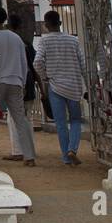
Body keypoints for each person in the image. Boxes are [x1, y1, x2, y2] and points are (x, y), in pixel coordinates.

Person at [0, 5, 35, 167]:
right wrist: (23, 82)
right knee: (20, 119)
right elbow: (23, 62)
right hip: (16, 81)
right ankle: (29, 156)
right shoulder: (16, 38)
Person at [37, 10, 87, 165]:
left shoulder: (44, 41)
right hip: (73, 86)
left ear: (45, 25)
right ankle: (73, 148)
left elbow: (37, 62)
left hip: (55, 86)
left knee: (60, 123)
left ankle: (66, 156)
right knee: (76, 120)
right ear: (59, 23)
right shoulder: (73, 40)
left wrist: (45, 75)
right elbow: (83, 64)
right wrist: (88, 84)